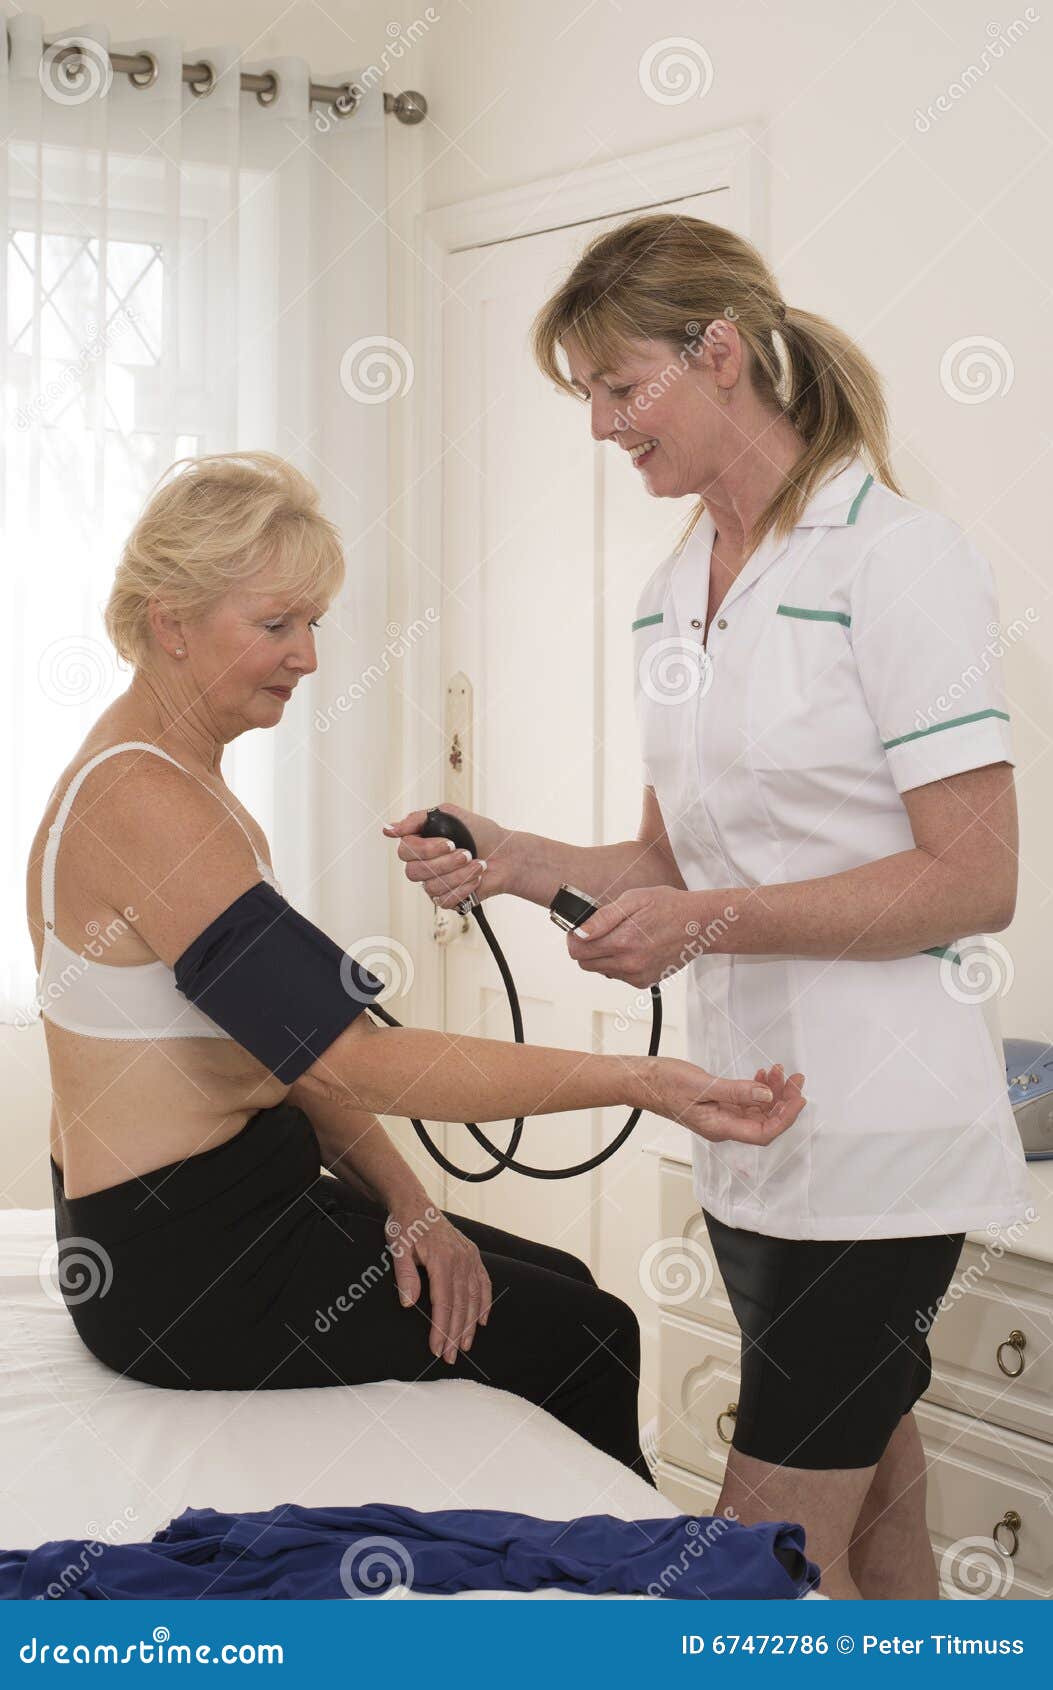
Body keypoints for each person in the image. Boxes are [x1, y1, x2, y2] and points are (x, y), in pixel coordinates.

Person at [387, 213, 1032, 1592]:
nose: (604, 427)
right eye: (591, 398)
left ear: (719, 351)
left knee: (750, 1548)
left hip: (879, 1137)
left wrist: (707, 924)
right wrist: (511, 856)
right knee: (877, 1518)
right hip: (744, 1125)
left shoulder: (895, 557)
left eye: (621, 388)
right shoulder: (672, 589)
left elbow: (973, 879)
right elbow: (670, 867)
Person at [26, 448, 805, 1486]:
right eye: (275, 625)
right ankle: (617, 1612)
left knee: (560, 1279)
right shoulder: (147, 807)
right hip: (186, 1271)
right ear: (171, 621)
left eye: (314, 623)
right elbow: (350, 1060)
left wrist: (412, 1203)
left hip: (220, 1211)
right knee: (589, 1334)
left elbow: (296, 1055)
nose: (307, 656)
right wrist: (641, 1080)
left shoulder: (175, 784)